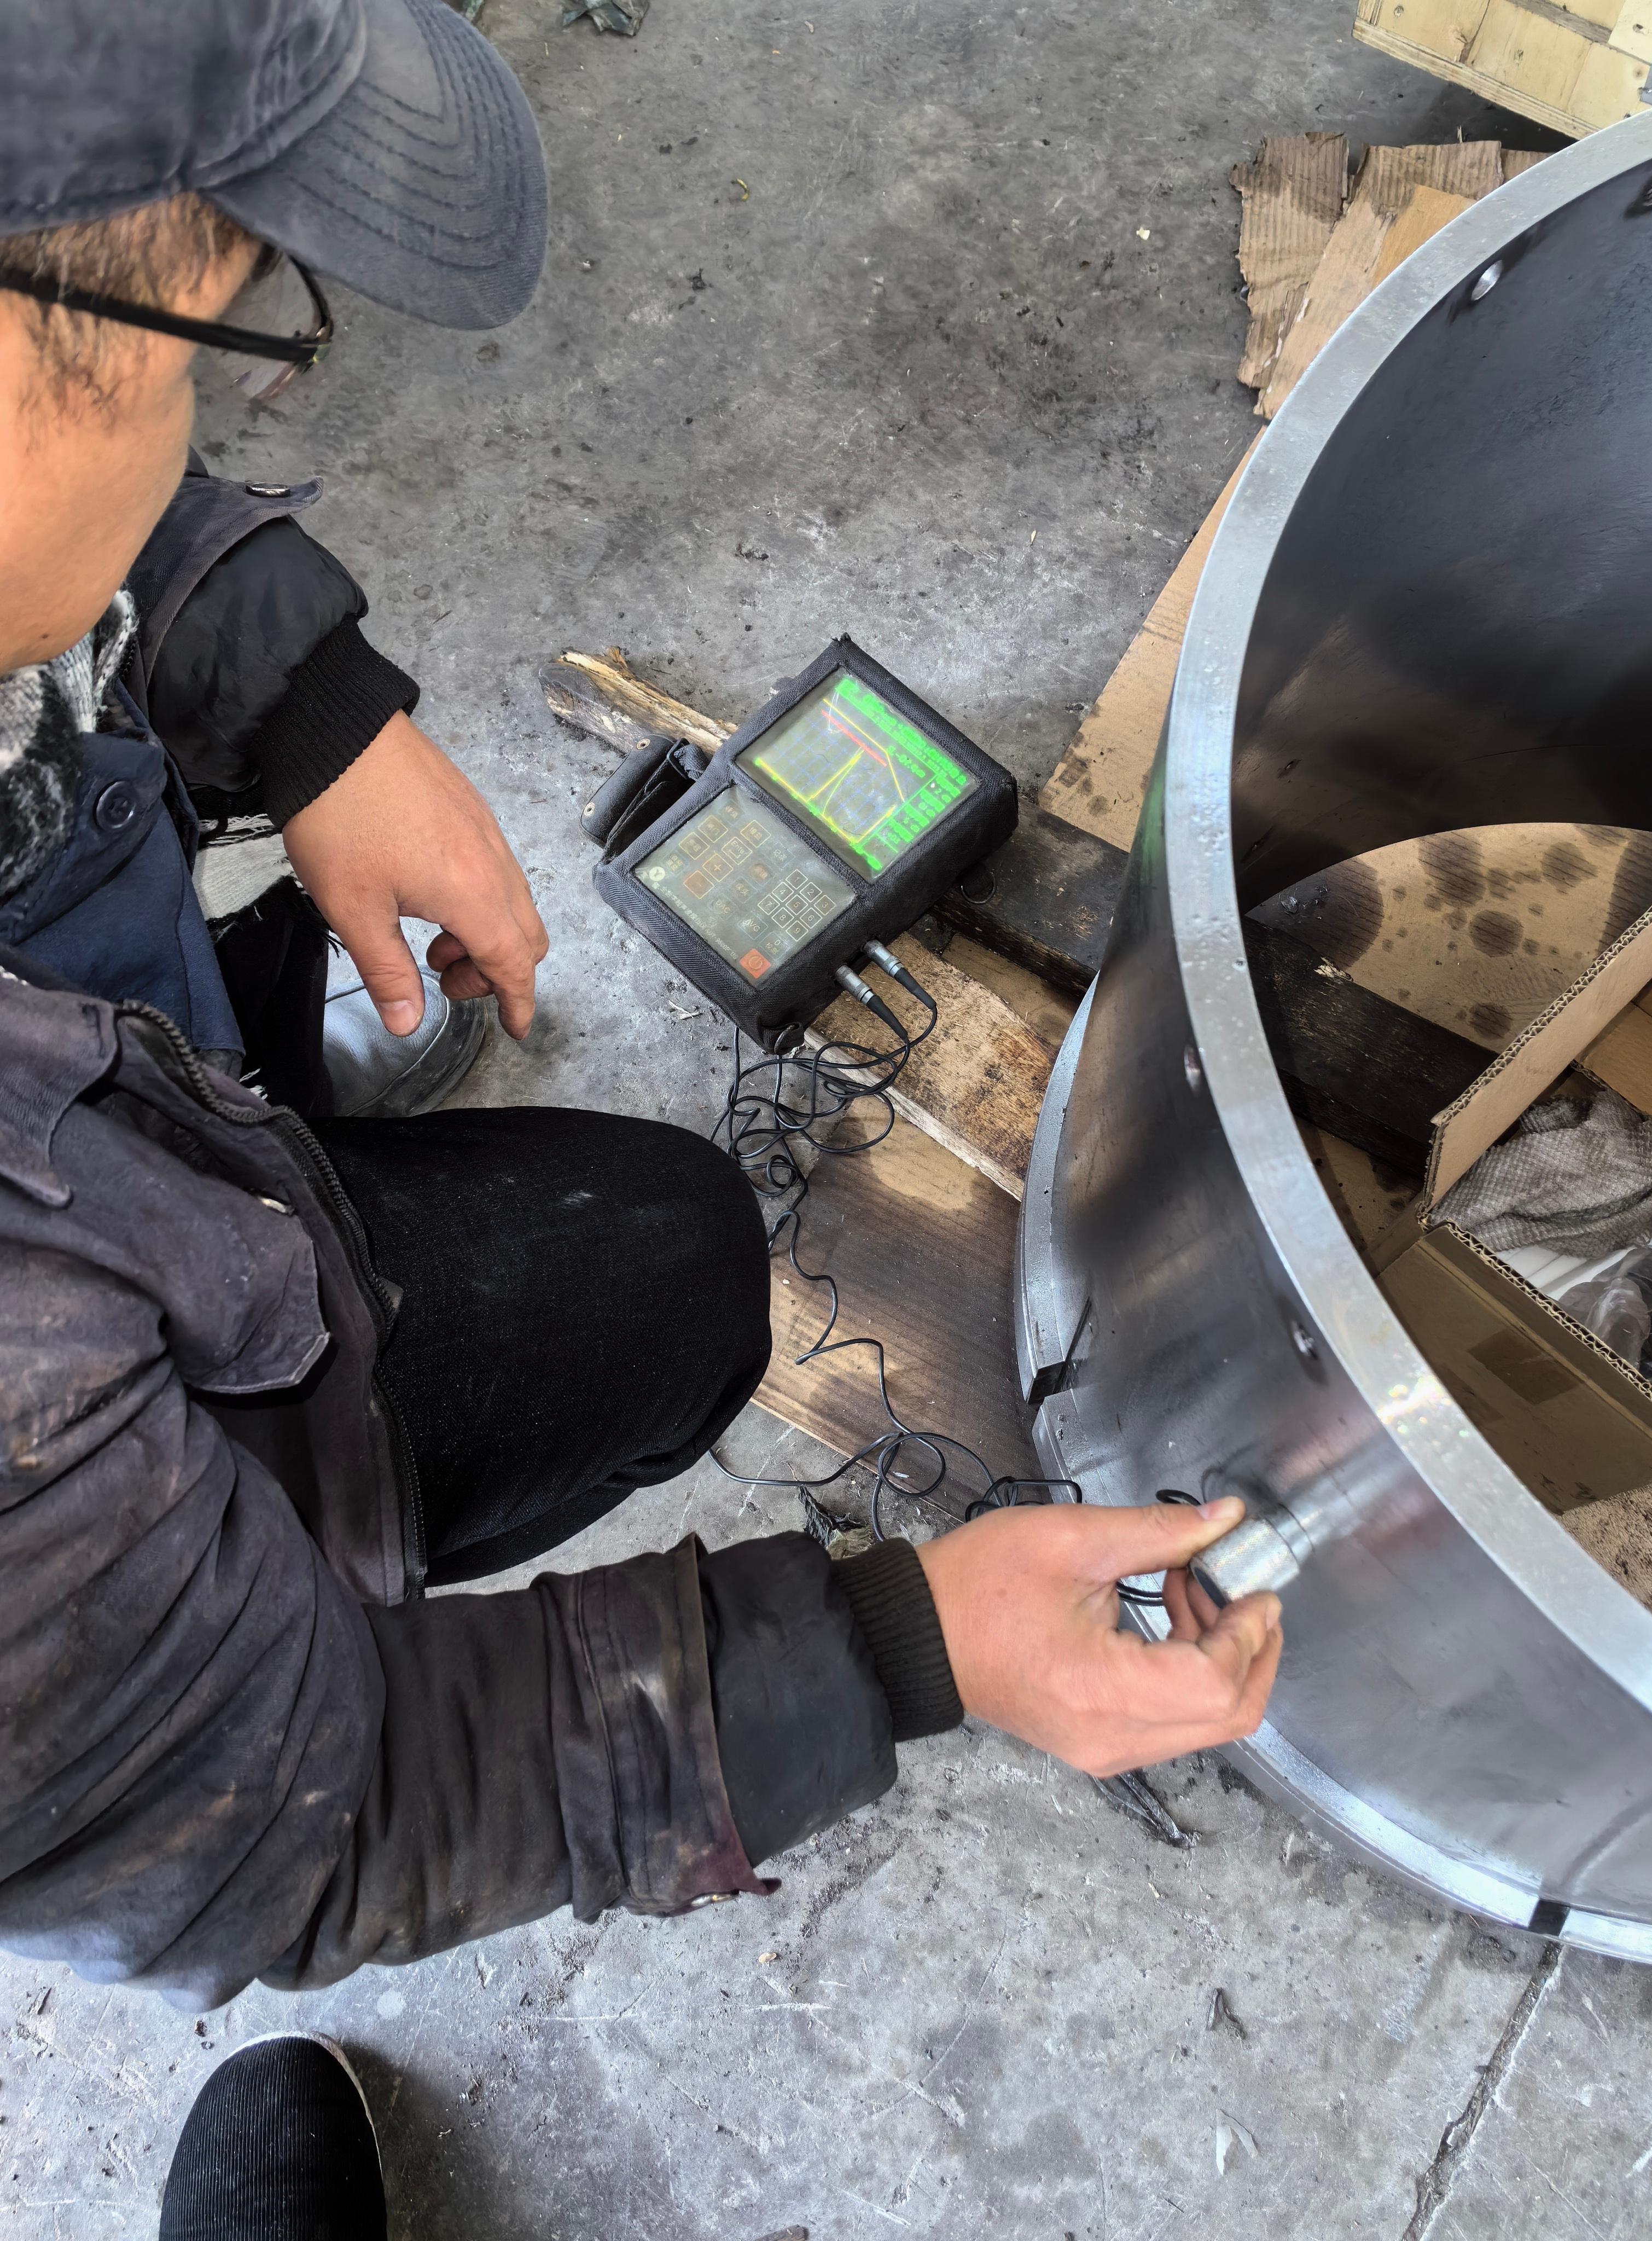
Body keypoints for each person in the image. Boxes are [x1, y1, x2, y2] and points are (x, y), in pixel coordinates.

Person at [0, 0, 1283, 2034]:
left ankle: (236, 1107)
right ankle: (243, 1197)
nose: (197, 416)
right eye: (200, 354)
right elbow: (274, 1826)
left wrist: (299, 701)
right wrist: (897, 1655)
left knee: (207, 1005)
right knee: (674, 1264)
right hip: (96, 1411)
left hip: (76, 1036)